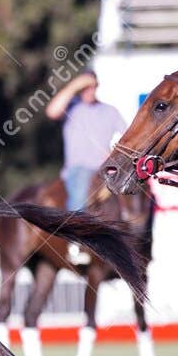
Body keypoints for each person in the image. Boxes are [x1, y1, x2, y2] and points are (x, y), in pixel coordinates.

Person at [44, 70, 126, 264]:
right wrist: (75, 84)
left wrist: (113, 153)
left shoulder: (110, 111)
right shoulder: (72, 108)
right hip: (78, 169)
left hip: (105, 171)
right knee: (79, 195)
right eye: (85, 87)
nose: (89, 90)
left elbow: (125, 137)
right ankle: (76, 243)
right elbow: (51, 111)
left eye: (92, 86)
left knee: (132, 195)